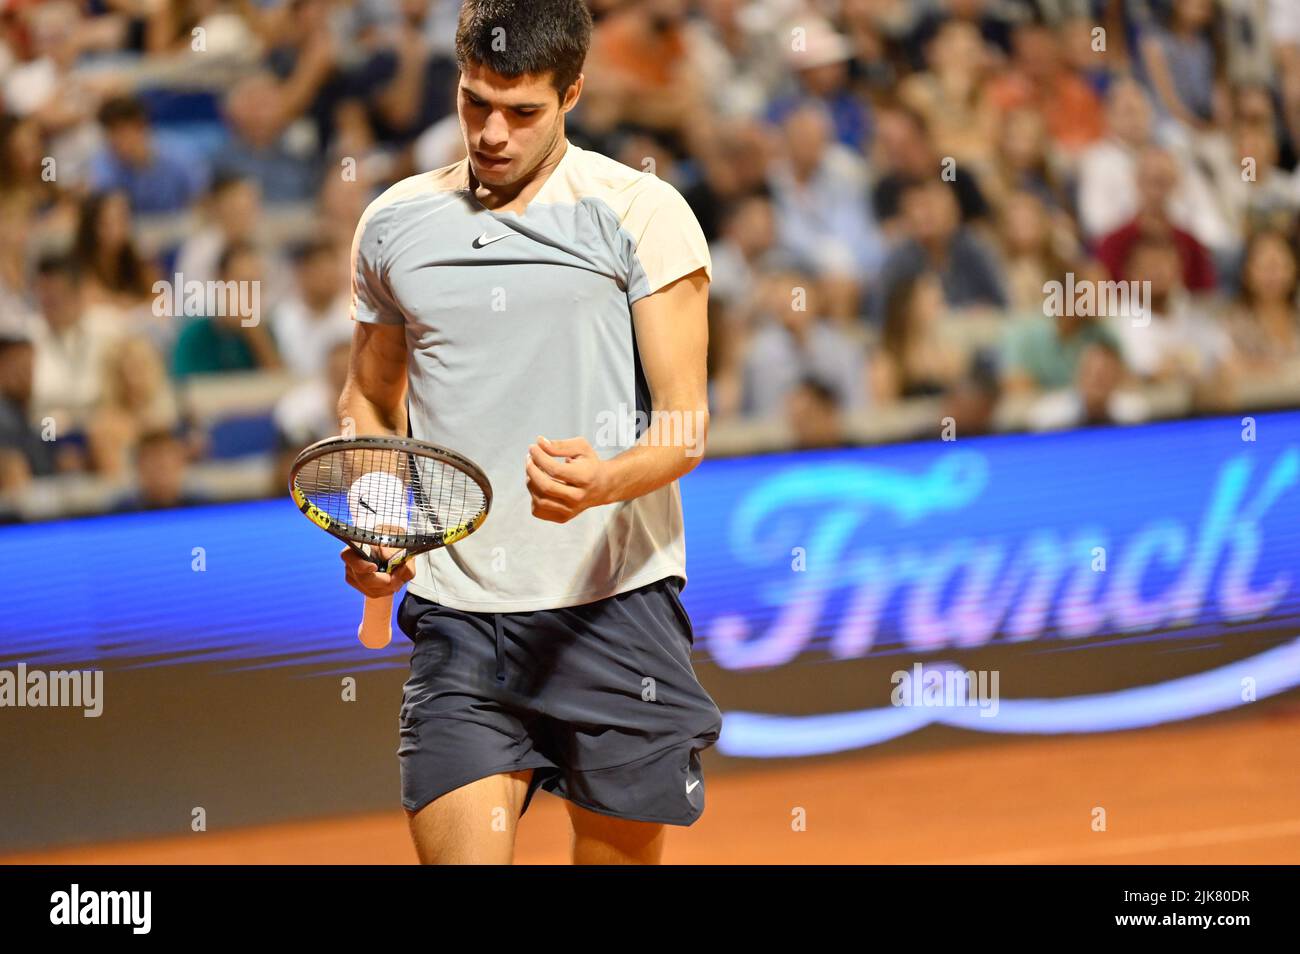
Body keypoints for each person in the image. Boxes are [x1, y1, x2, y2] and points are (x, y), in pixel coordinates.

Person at [336, 0, 721, 866]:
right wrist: (379, 522)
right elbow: (367, 401)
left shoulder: (642, 212)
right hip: (462, 620)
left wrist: (607, 480)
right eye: (476, 103)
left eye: (522, 112)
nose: (493, 133)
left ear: (574, 93)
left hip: (615, 610)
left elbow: (687, 425)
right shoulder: (395, 224)